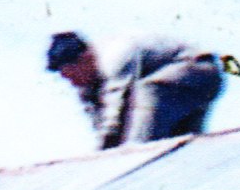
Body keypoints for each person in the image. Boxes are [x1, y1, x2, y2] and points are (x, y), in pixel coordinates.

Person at [45, 31, 224, 149]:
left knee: (146, 97)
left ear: (85, 58)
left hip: (197, 71)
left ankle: (137, 151)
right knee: (176, 147)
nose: (71, 82)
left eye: (71, 75)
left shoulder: (113, 56)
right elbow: (98, 122)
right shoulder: (86, 83)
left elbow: (114, 115)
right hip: (180, 85)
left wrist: (111, 156)